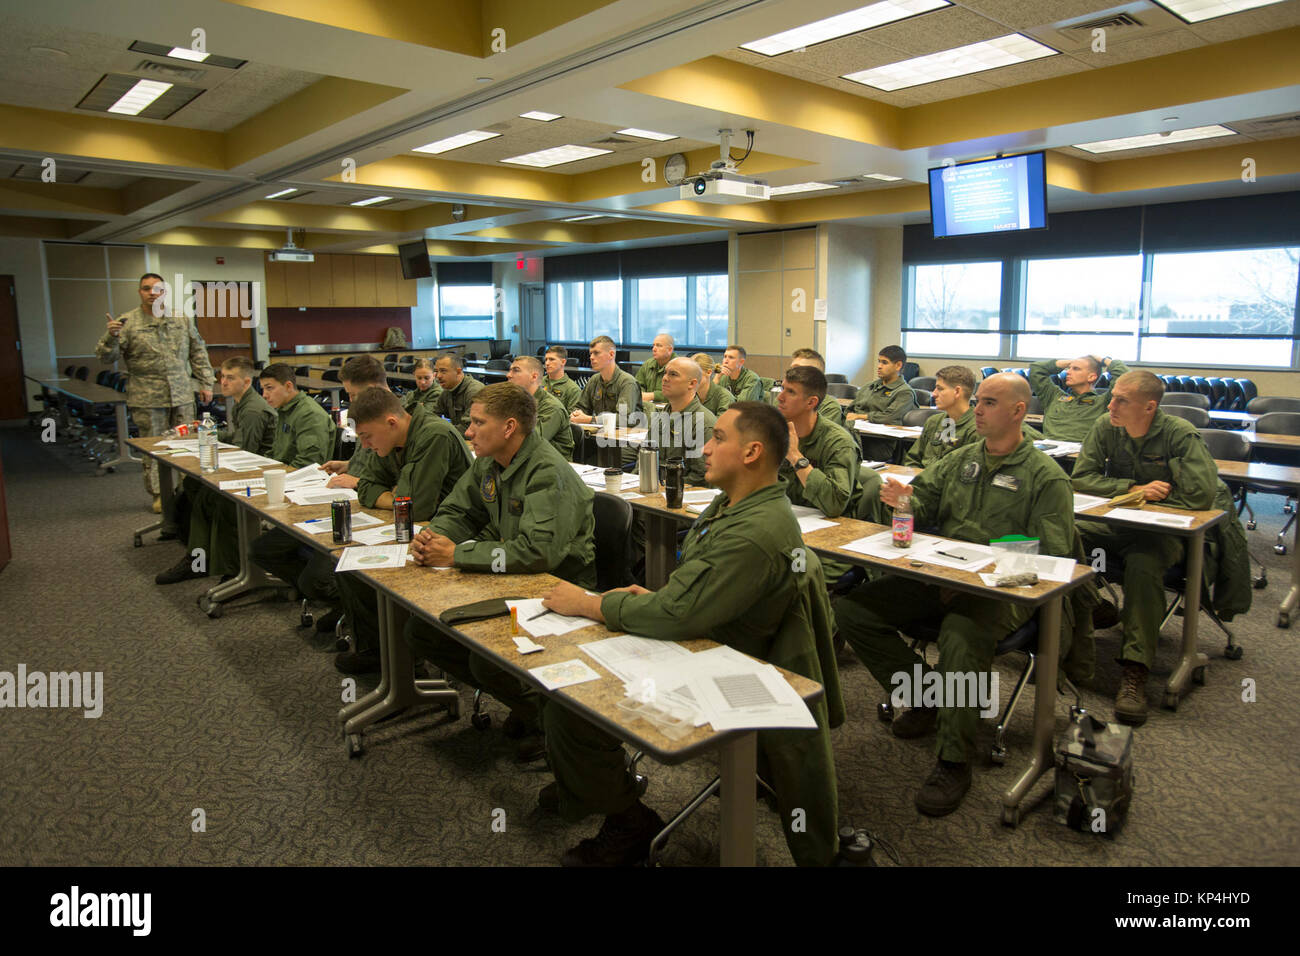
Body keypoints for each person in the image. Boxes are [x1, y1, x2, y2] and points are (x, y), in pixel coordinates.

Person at [540, 402, 843, 867]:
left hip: (721, 665)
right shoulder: (734, 504)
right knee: (567, 685)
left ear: (752, 452)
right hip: (705, 639)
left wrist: (590, 603)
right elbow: (692, 592)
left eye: (718, 437)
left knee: (570, 701)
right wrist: (656, 600)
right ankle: (599, 791)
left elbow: (678, 613)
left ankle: (625, 820)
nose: (705, 446)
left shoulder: (754, 530)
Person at [835, 373, 1076, 817]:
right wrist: (903, 501)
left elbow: (1052, 558)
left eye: (989, 402)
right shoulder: (962, 459)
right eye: (978, 401)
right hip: (940, 577)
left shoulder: (1045, 477)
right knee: (852, 608)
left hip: (1001, 591)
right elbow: (921, 502)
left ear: (1018, 411)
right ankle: (929, 696)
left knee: (960, 637)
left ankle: (954, 759)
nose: (977, 410)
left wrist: (974, 576)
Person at [404, 383, 596, 761]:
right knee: (422, 632)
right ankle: (531, 705)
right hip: (508, 575)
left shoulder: (546, 472)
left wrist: (458, 554)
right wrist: (434, 537)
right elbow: (460, 510)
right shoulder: (488, 462)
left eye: (478, 422)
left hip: (556, 590)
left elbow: (538, 554)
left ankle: (554, 722)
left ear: (509, 428)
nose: (468, 432)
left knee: (484, 659)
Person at [1070, 370, 1252, 726]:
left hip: (1165, 535)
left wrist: (1131, 498)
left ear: (1149, 407)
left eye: (1122, 400)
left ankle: (1135, 669)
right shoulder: (1106, 426)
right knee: (1066, 532)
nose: (1111, 405)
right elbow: (1081, 477)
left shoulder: (1179, 435)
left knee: (1143, 560)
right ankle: (1092, 607)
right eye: (1112, 397)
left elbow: (1198, 495)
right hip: (1120, 522)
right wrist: (1135, 489)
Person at [335, 387, 473, 673]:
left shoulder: (433, 435)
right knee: (350, 564)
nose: (364, 446)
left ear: (391, 423)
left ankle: (404, 661)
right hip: (419, 527)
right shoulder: (389, 441)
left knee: (372, 570)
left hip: (451, 534)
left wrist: (394, 497)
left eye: (366, 437)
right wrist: (394, 497)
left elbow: (416, 507)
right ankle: (379, 651)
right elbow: (367, 487)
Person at [249, 355, 386, 633]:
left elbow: (392, 482)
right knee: (264, 549)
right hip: (345, 500)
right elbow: (369, 459)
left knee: (314, 579)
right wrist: (347, 465)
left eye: (352, 394)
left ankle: (351, 603)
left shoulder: (391, 419)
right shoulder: (370, 413)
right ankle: (345, 601)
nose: (351, 400)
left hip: (370, 510)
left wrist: (357, 480)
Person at [96, 272, 215, 516]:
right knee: (155, 449)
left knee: (188, 447)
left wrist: (206, 382)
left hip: (182, 395)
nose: (152, 293)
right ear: (140, 292)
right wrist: (112, 336)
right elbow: (106, 358)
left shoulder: (180, 319)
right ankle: (160, 495)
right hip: (147, 398)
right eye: (146, 288)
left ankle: (187, 492)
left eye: (157, 288)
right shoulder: (126, 322)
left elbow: (198, 351)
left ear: (165, 292)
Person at [154, 357, 276, 585]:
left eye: (231, 378)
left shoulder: (252, 410)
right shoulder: (242, 404)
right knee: (193, 486)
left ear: (247, 381)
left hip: (261, 472)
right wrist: (206, 433)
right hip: (253, 466)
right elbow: (235, 438)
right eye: (222, 377)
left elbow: (244, 451)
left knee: (211, 495)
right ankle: (203, 556)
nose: (223, 382)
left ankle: (220, 563)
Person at [774, 366, 859, 520]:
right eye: (782, 388)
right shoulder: (773, 431)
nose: (780, 397)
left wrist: (794, 456)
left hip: (827, 528)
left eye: (791, 392)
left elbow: (835, 503)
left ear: (811, 402)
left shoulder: (838, 442)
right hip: (783, 517)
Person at [570, 335, 642, 466]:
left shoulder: (627, 382)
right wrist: (576, 414)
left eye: (596, 353)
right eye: (590, 353)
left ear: (611, 354)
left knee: (602, 459)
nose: (591, 357)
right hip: (600, 437)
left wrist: (589, 419)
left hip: (625, 441)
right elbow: (580, 406)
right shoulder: (595, 380)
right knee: (574, 452)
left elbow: (625, 419)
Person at [1028, 353, 1128, 442]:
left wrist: (1103, 360)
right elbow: (1036, 369)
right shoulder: (1054, 397)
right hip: (1049, 452)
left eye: (1076, 369)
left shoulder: (1103, 402)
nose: (1068, 372)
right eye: (1069, 368)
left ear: (1091, 377)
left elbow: (1126, 377)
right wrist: (1069, 362)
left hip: (1079, 456)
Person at [649, 356, 716, 485]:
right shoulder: (662, 415)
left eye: (673, 374)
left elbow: (700, 477)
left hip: (682, 494)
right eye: (665, 373)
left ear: (692, 384)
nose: (665, 378)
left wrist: (664, 486)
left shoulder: (702, 423)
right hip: (654, 489)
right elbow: (645, 458)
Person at [847, 345, 917, 463]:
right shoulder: (869, 386)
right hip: (856, 437)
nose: (879, 366)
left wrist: (861, 416)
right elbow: (849, 409)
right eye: (879, 362)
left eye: (884, 363)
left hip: (880, 445)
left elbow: (890, 417)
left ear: (898, 365)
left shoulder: (904, 392)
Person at [904, 365, 979, 468]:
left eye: (940, 389)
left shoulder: (976, 429)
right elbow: (912, 460)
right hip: (921, 480)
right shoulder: (933, 422)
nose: (934, 394)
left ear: (957, 391)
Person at [507, 356, 573, 460]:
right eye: (510, 370)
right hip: (526, 460)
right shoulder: (516, 401)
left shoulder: (551, 407)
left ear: (534, 377)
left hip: (551, 465)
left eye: (516, 371)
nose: (509, 375)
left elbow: (530, 443)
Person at [433, 352, 484, 433]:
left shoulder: (474, 391)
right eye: (436, 371)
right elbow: (433, 415)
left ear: (458, 372)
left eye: (443, 371)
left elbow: (468, 428)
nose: (438, 376)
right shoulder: (447, 390)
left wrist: (439, 430)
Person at [635, 333, 675, 404]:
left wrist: (653, 396)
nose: (654, 349)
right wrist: (640, 394)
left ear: (669, 350)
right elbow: (637, 386)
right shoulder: (648, 364)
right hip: (648, 407)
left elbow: (679, 393)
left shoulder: (679, 366)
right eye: (653, 346)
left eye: (659, 346)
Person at [690, 352, 733, 418]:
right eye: (689, 373)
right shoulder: (687, 395)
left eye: (696, 373)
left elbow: (721, 426)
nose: (691, 377)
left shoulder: (725, 398)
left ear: (709, 372)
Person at [542, 346, 582, 414]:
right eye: (546, 359)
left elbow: (572, 419)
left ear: (563, 362)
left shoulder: (573, 389)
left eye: (551, 359)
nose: (547, 363)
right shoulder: (538, 382)